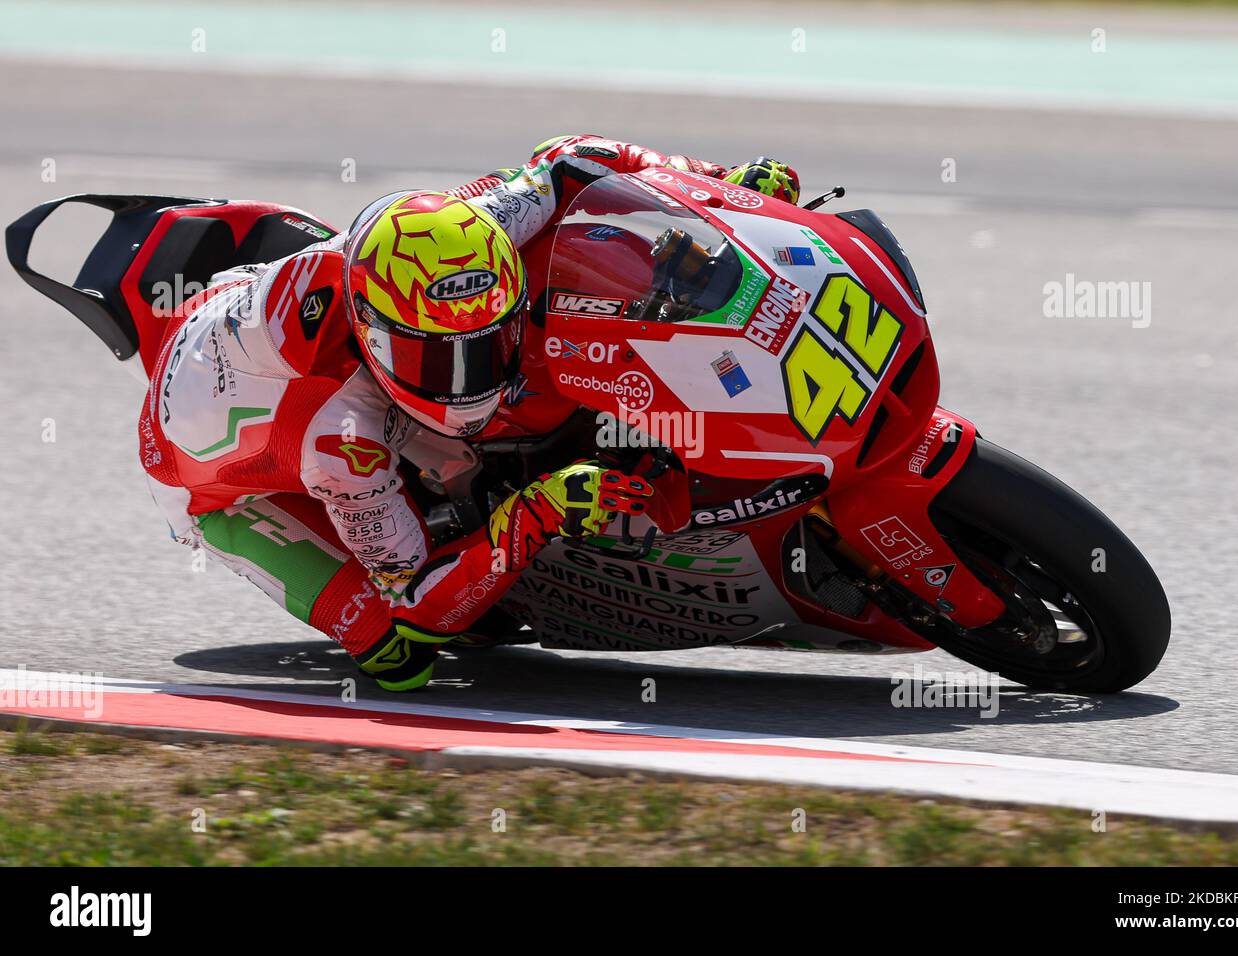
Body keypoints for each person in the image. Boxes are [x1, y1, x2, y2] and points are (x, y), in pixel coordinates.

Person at [138, 135, 800, 691]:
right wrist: (534, 514)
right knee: (398, 658)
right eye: (439, 361)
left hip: (251, 306)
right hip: (207, 480)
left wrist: (715, 185)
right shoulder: (340, 442)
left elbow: (573, 160)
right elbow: (418, 604)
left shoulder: (472, 228)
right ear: (373, 333)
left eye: (488, 346)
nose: (469, 381)